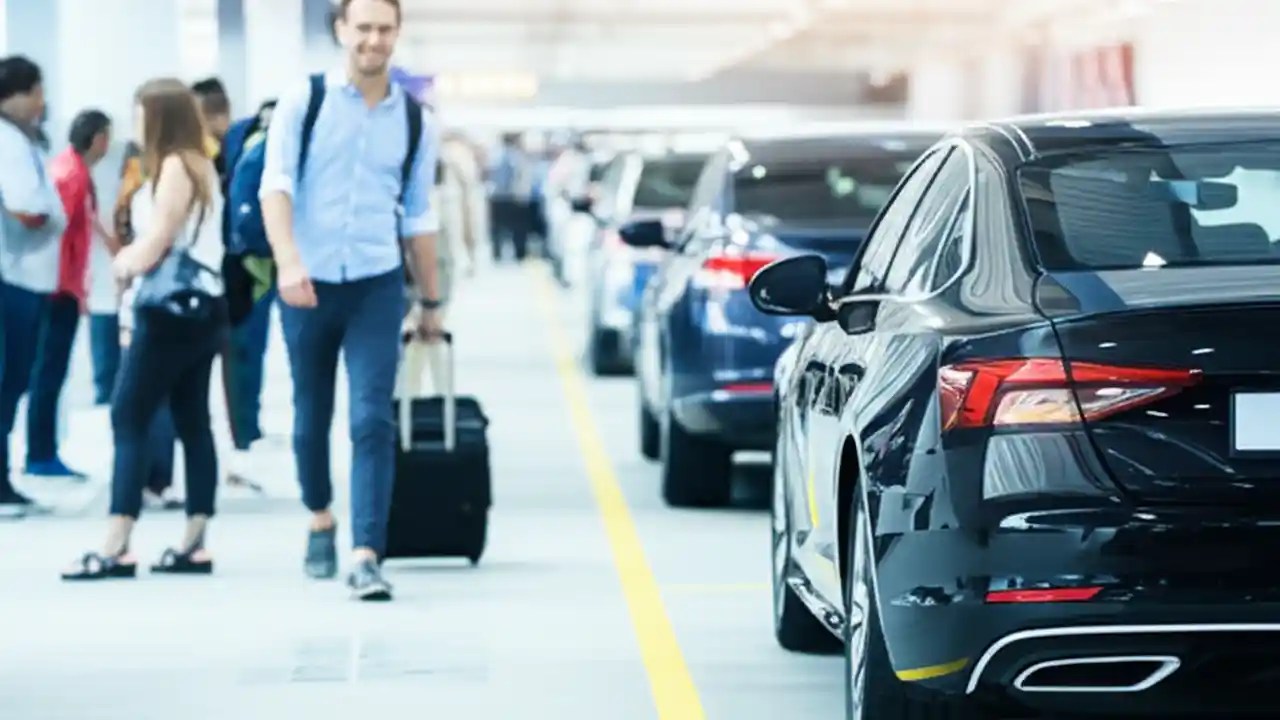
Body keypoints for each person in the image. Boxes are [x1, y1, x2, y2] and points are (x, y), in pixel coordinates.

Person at [260, 0, 444, 601]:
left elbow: (418, 215)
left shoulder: (416, 120)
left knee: (372, 418)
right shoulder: (303, 101)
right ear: (341, 31)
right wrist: (288, 262)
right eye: (362, 27)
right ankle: (320, 516)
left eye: (384, 29)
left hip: (375, 281)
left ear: (397, 35)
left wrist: (432, 303)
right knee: (311, 418)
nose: (373, 39)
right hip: (307, 283)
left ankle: (366, 552)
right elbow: (276, 186)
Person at [61, 78, 228, 580]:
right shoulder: (201, 163)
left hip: (166, 312)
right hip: (202, 309)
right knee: (193, 421)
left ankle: (117, 543)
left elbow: (160, 236)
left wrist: (124, 265)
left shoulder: (176, 165)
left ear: (159, 117)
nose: (134, 125)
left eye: (139, 114)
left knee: (128, 416)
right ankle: (195, 540)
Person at [25, 110, 114, 481]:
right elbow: (56, 237)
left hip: (65, 288)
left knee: (51, 373)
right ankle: (41, 455)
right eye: (108, 136)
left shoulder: (73, 170)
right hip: (57, 290)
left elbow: (84, 223)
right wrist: (63, 287)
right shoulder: (71, 175)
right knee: (48, 374)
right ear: (97, 138)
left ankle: (44, 452)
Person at [0, 56, 67, 515]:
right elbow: (25, 205)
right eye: (38, 93)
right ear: (18, 95)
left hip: (23, 274)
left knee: (15, 379)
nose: (42, 104)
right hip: (12, 275)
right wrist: (44, 221)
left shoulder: (22, 140)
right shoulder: (7, 141)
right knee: (9, 379)